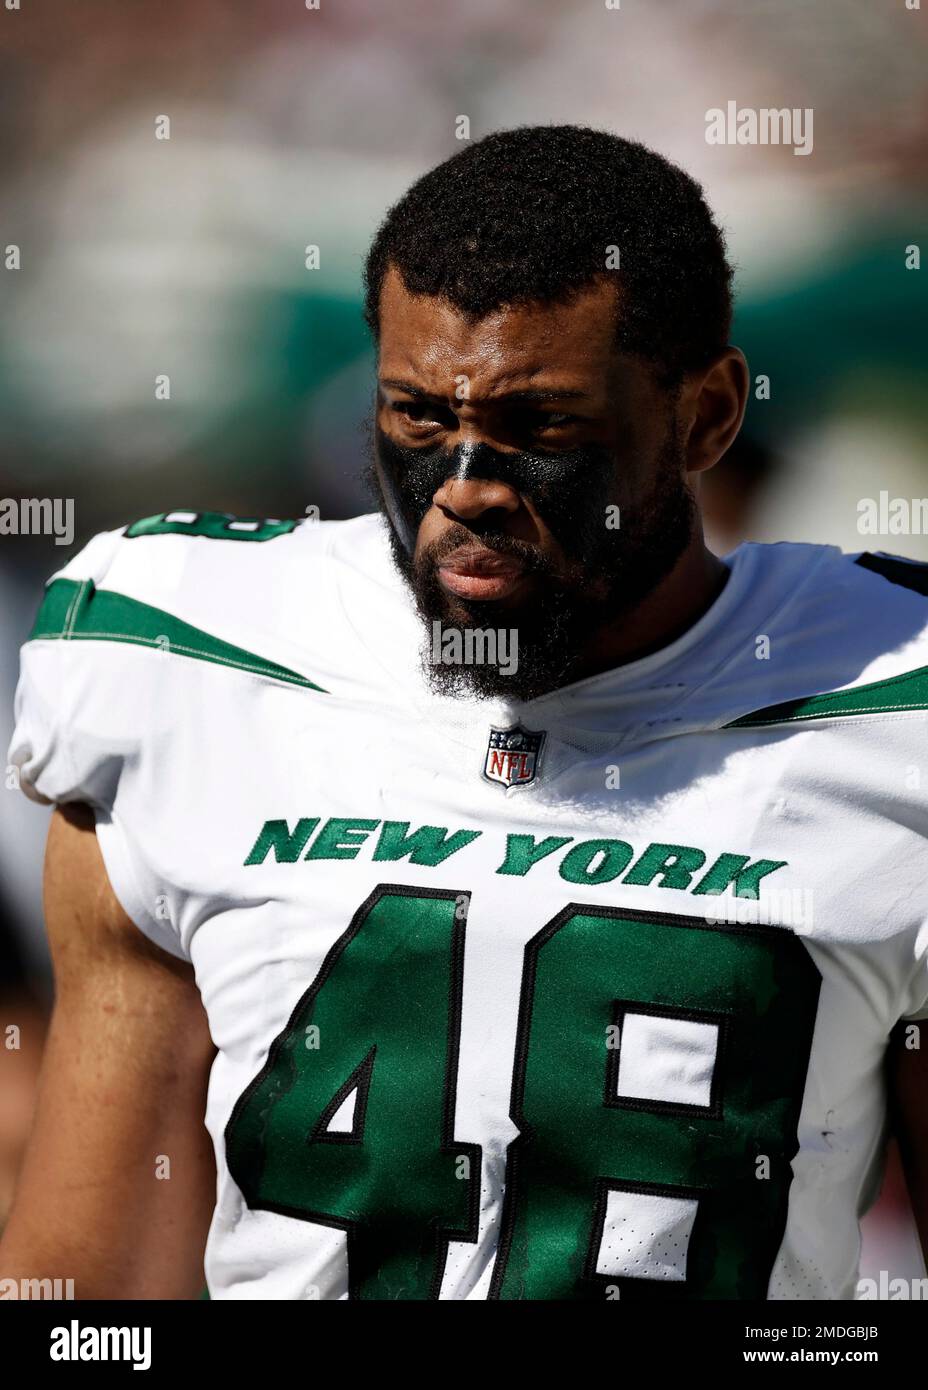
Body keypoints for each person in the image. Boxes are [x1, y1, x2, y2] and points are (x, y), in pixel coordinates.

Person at [1, 125, 926, 1301]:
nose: (465, 488)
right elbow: (93, 1296)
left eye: (543, 428)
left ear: (705, 417)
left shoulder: (891, 704)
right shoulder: (186, 663)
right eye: (419, 420)